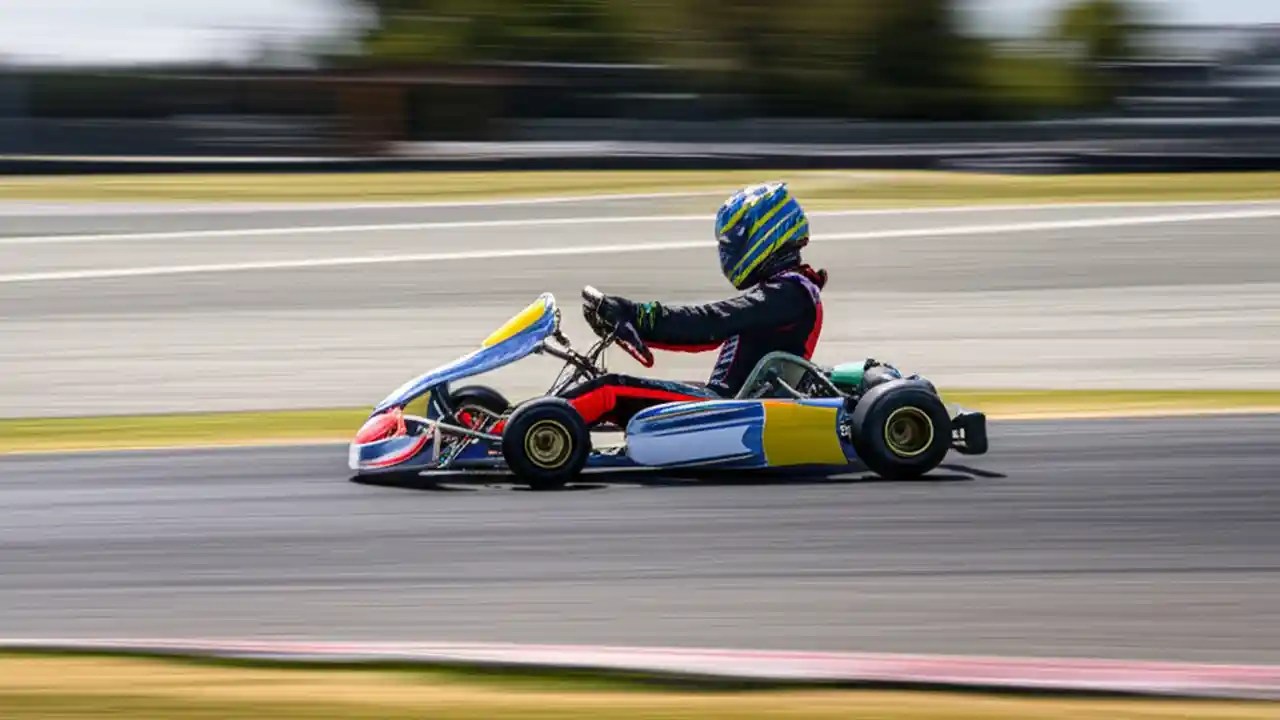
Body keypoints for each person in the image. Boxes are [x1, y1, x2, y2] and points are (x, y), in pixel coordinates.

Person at [568, 181, 827, 427]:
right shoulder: (786, 289)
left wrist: (635, 315)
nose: (729, 251)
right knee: (618, 387)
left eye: (733, 242)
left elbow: (711, 323)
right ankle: (548, 422)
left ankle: (540, 424)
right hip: (726, 403)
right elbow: (709, 334)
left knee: (607, 390)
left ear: (767, 232)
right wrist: (631, 324)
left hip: (728, 410)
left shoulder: (790, 293)